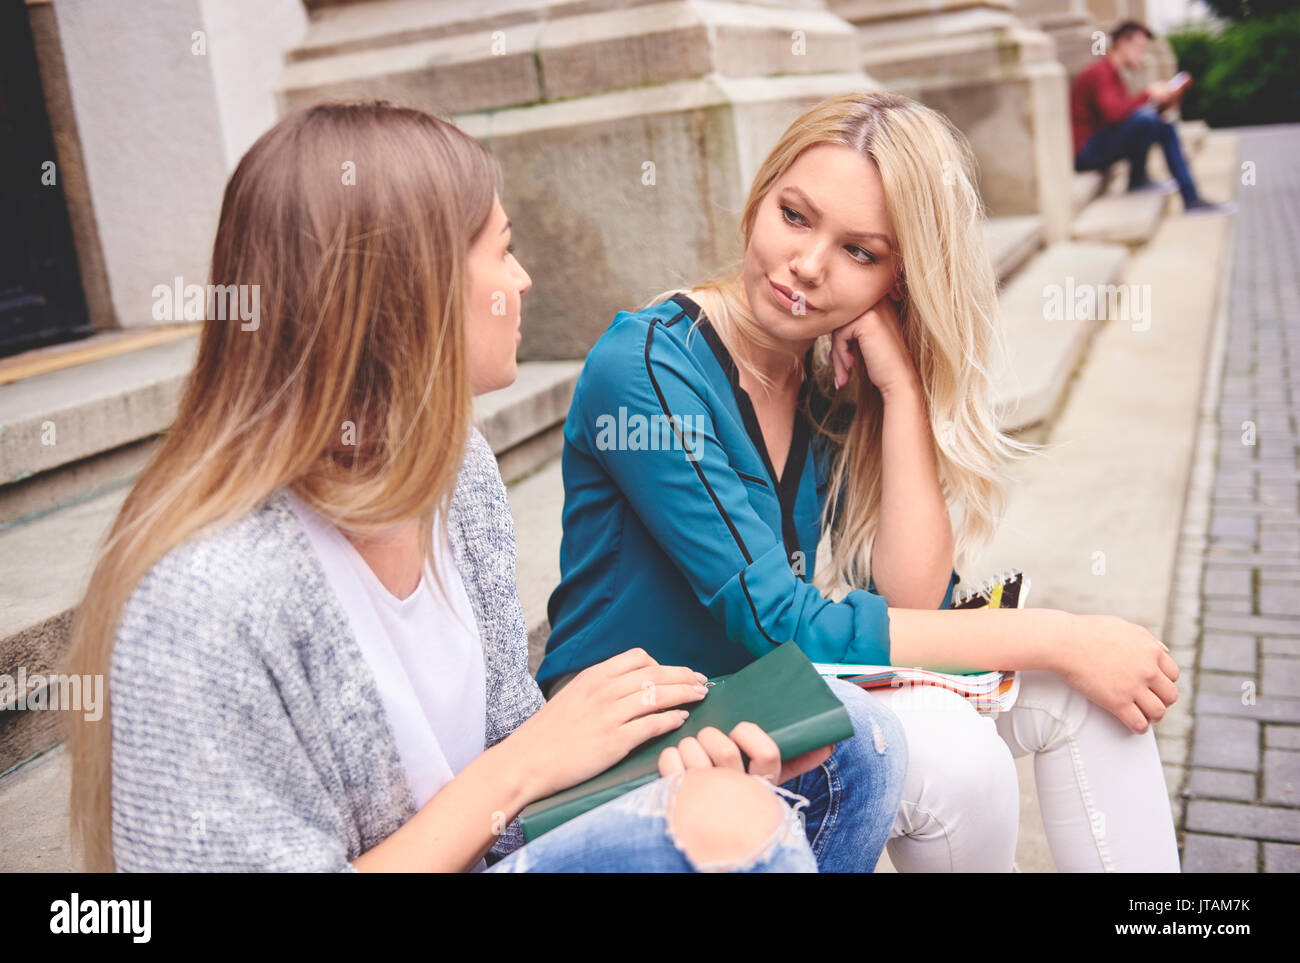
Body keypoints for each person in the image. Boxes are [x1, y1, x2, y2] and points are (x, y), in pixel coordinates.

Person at [60, 101, 899, 873]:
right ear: (408, 291)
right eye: (502, 249)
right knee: (717, 830)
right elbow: (513, 767)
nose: (525, 279)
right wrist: (537, 762)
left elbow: (510, 778)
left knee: (854, 744)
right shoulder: (206, 601)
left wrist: (654, 767)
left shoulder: (457, 471)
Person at [539, 90, 1184, 872]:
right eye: (796, 216)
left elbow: (917, 598)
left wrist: (901, 392)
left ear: (897, 282)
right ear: (760, 196)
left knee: (1088, 697)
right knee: (961, 753)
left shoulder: (824, 373)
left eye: (861, 253)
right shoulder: (647, 368)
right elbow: (780, 621)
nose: (807, 266)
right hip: (644, 740)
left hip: (773, 701)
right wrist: (1062, 632)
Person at [1070, 19, 1235, 216]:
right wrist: (1148, 94)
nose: (1144, 56)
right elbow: (1114, 115)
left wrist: (1164, 102)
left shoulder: (1114, 73)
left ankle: (1186, 196)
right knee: (1146, 120)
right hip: (1086, 152)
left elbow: (1121, 118)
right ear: (1122, 43)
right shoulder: (1100, 72)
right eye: (1140, 49)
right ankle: (1166, 190)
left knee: (1158, 123)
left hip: (1100, 143)